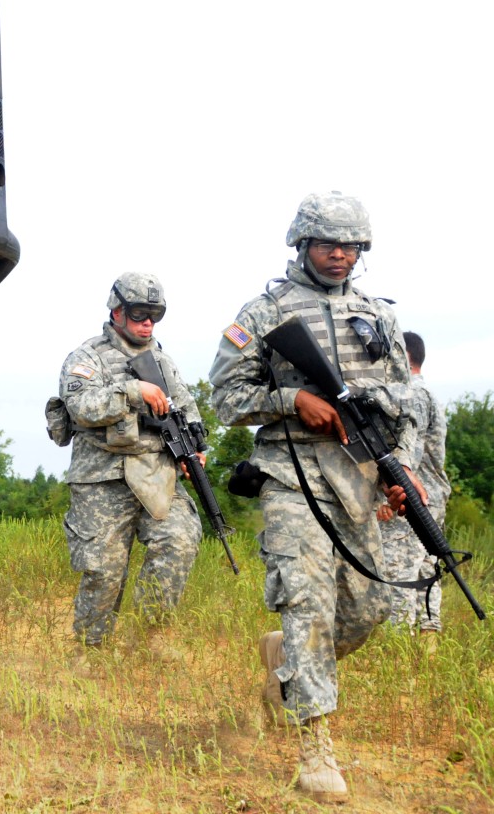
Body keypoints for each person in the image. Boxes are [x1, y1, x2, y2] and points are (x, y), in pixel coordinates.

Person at [209, 192, 422, 803]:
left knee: (369, 607)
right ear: (301, 244)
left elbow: (402, 404)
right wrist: (290, 401)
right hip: (291, 474)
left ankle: (286, 663)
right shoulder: (266, 311)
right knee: (307, 602)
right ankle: (315, 745)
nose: (340, 255)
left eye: (352, 246)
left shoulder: (377, 315)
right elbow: (226, 397)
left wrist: (396, 474)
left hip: (358, 476)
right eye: (329, 243)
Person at [57, 273, 203, 649]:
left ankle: (146, 639)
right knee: (104, 571)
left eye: (156, 314)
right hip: (102, 477)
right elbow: (80, 407)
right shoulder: (86, 357)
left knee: (180, 540)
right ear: (117, 311)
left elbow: (187, 409)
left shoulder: (162, 360)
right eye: (140, 313)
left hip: (157, 473)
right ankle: (90, 649)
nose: (148, 322)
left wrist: (195, 448)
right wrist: (132, 391)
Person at [380, 331, 451, 637]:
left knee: (401, 577)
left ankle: (399, 652)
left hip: (413, 500)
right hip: (431, 499)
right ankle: (428, 646)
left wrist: (387, 498)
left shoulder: (413, 396)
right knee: (426, 572)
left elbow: (409, 455)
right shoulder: (428, 394)